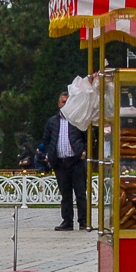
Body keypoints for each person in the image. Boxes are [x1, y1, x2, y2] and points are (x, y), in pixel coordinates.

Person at [44, 91, 89, 231]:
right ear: (59, 104)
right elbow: (46, 140)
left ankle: (83, 221)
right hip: (60, 163)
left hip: (76, 162)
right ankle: (67, 221)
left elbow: (88, 138)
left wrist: (84, 151)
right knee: (66, 194)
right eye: (63, 102)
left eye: (68, 102)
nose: (65, 105)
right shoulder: (52, 122)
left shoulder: (78, 120)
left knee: (80, 193)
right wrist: (49, 155)